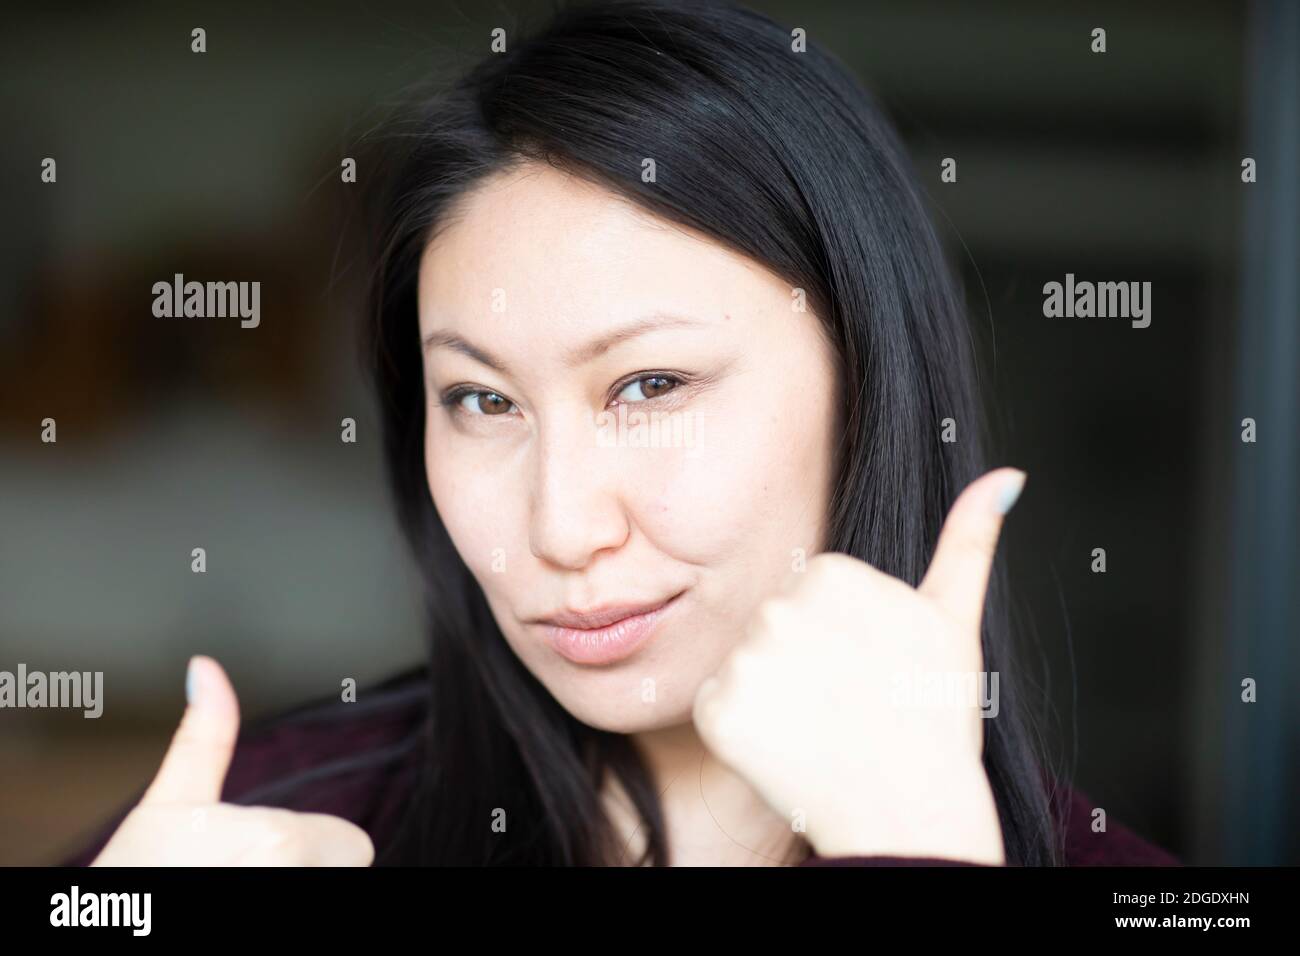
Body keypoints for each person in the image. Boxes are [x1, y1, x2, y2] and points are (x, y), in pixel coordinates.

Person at [64, 0, 1178, 867]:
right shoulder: (261, 814)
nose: (557, 526)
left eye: (649, 383)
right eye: (483, 400)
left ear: (868, 378)